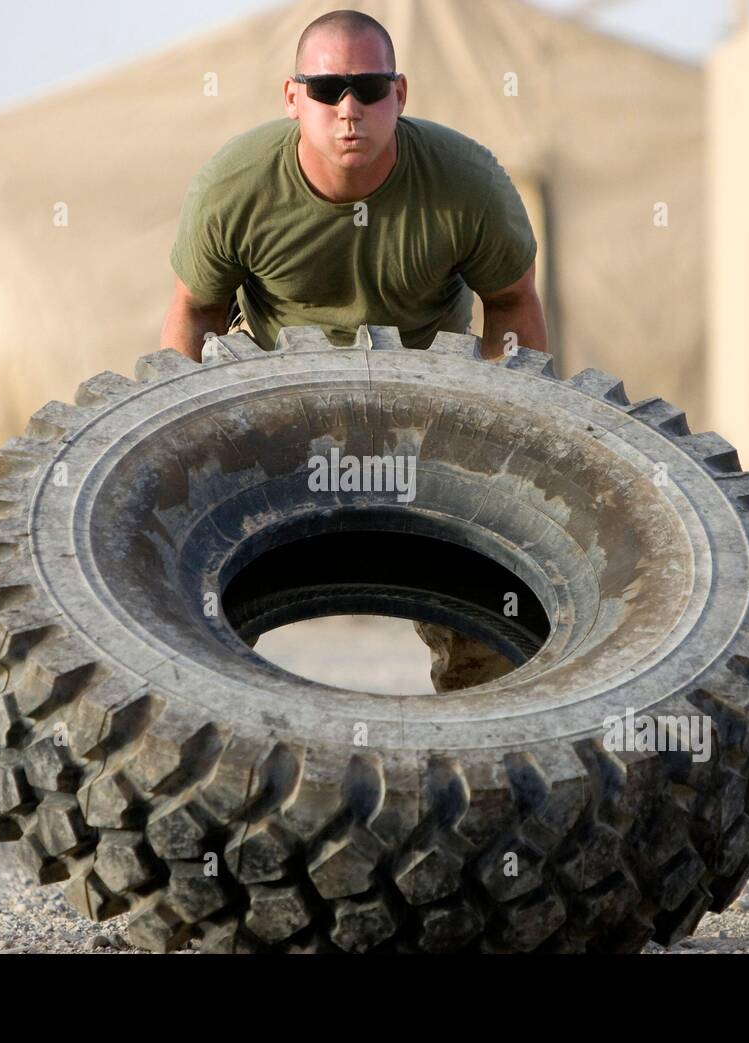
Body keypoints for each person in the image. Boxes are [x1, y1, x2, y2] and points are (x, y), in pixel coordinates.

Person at [162, 9, 548, 691]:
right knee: (183, 619)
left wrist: (507, 433)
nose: (349, 109)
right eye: (327, 88)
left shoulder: (466, 183)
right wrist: (183, 461)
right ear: (292, 97)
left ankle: (490, 725)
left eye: (369, 89)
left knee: (497, 629)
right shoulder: (234, 187)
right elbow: (195, 312)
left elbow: (514, 300)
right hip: (281, 413)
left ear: (399, 94)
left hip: (428, 414)